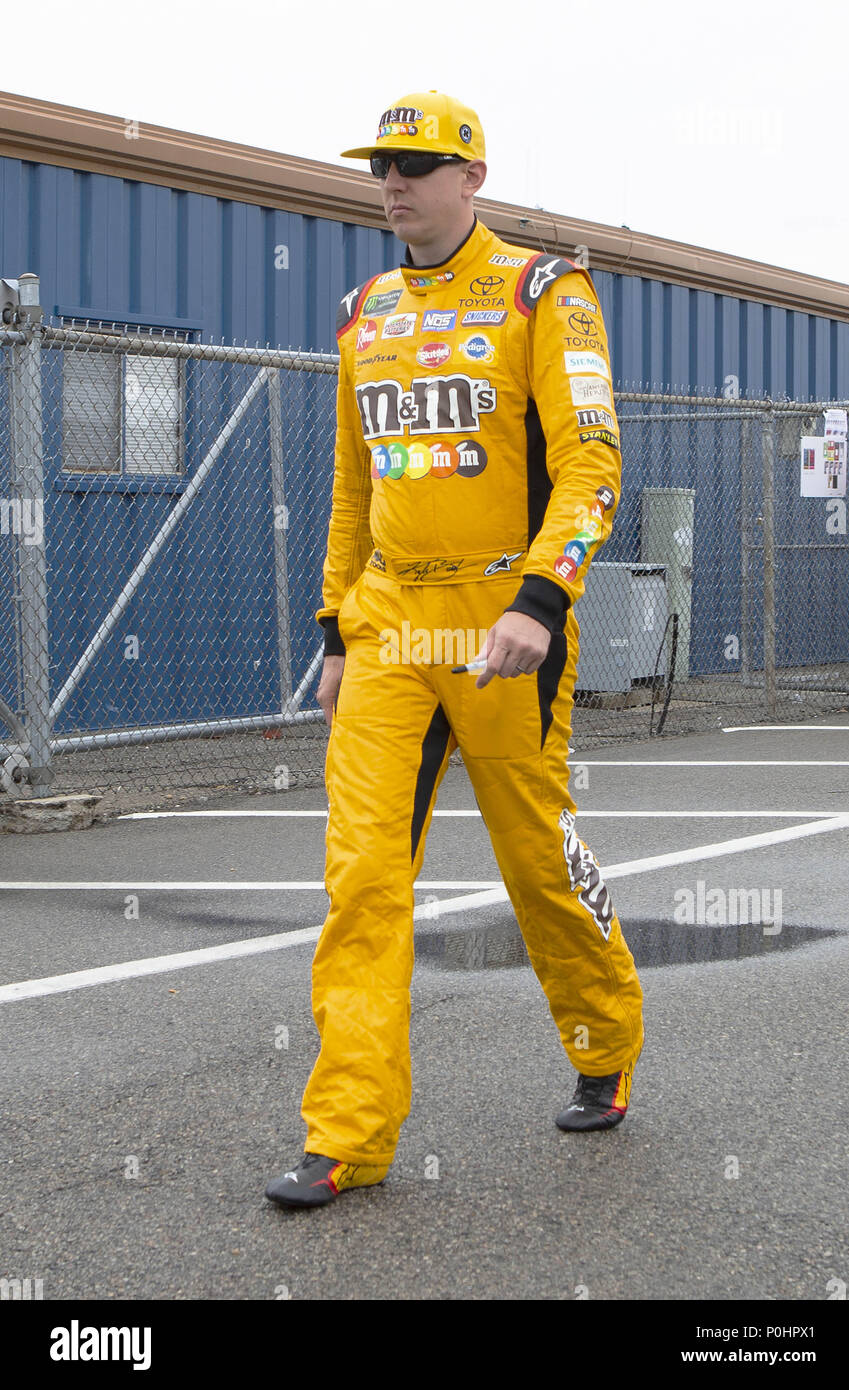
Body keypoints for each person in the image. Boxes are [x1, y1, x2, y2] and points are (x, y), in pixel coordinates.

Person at [266, 91, 644, 1209]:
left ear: (472, 175)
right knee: (360, 879)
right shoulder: (364, 311)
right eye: (382, 165)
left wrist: (541, 598)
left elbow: (591, 463)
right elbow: (352, 486)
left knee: (534, 858)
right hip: (387, 624)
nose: (394, 182)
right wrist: (335, 629)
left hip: (501, 622)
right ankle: (347, 1134)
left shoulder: (544, 291)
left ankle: (603, 1039)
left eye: (418, 164)